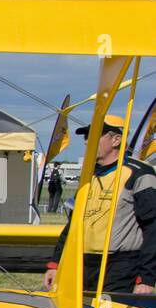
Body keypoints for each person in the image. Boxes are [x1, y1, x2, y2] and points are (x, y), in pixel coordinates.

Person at [44, 114, 156, 296]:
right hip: (84, 262)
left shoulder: (140, 173)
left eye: (95, 135)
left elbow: (153, 227)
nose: (88, 142)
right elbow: (73, 224)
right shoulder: (88, 174)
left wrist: (146, 277)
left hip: (121, 264)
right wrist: (55, 264)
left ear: (116, 139)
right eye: (87, 137)